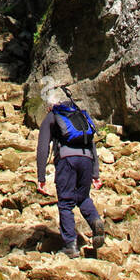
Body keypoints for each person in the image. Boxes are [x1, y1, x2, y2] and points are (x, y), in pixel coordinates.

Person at [37, 95, 105, 258]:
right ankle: (96, 221)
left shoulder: (53, 116)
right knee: (83, 197)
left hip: (67, 161)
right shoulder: (80, 116)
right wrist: (95, 173)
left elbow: (42, 147)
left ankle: (70, 246)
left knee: (66, 202)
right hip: (87, 160)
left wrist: (41, 177)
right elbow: (92, 145)